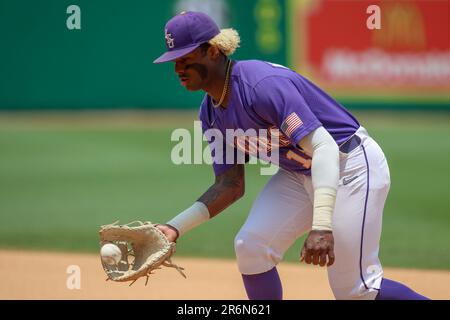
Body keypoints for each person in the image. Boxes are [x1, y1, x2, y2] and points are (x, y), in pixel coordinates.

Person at [153, 11, 429, 300]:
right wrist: (174, 228)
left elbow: (325, 147)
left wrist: (321, 225)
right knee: (251, 248)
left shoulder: (260, 85)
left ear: (211, 51)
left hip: (351, 166)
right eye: (174, 61)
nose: (178, 69)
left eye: (185, 59)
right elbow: (230, 185)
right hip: (300, 173)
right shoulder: (210, 113)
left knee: (356, 291)